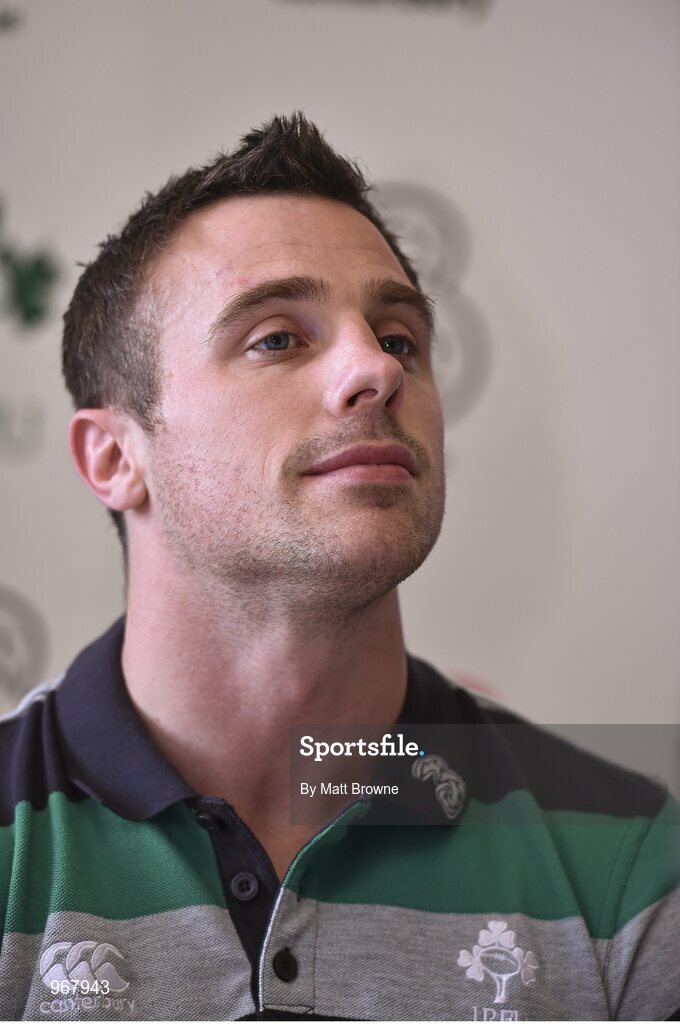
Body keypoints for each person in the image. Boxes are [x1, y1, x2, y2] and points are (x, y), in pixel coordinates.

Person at [0, 113, 677, 1023]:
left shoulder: (628, 868)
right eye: (277, 337)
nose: (376, 370)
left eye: (399, 338)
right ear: (116, 458)